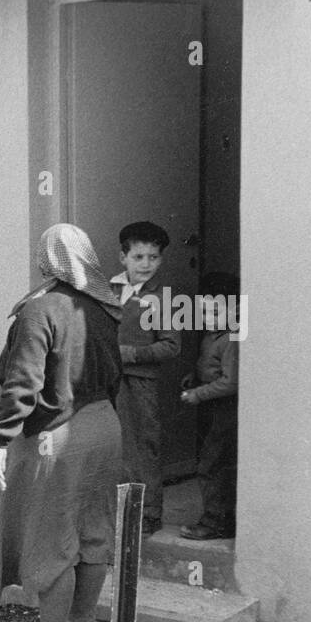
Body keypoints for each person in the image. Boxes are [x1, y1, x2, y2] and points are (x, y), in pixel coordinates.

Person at [0, 224, 123, 622]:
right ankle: (81, 619)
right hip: (104, 425)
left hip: (59, 435)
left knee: (51, 535)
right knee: (94, 528)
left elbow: (23, 381)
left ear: (47, 260)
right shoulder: (104, 308)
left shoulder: (40, 310)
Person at [109, 221, 180, 537]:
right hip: (106, 380)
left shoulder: (164, 298)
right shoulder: (106, 290)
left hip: (140, 382)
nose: (146, 264)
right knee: (112, 444)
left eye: (153, 257)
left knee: (143, 445)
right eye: (138, 257)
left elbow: (171, 345)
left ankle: (149, 513)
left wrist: (128, 354)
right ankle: (115, 513)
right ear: (123, 257)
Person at [178, 272, 240, 540]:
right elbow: (210, 367)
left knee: (212, 465)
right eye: (203, 312)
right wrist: (195, 376)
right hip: (212, 407)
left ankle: (215, 522)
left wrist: (199, 394)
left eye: (215, 311)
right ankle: (219, 518)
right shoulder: (212, 335)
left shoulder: (232, 339)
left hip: (224, 407)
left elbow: (230, 382)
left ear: (236, 309)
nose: (208, 317)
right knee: (212, 460)